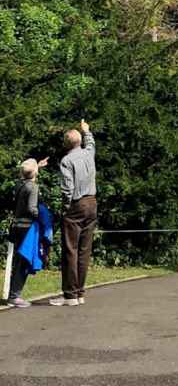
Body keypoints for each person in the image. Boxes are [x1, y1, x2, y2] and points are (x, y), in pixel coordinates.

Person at [50, 120, 96, 307]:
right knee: (84, 250)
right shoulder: (89, 153)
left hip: (77, 204)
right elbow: (91, 142)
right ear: (80, 141)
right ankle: (80, 292)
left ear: (66, 144)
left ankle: (70, 295)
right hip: (92, 202)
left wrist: (66, 207)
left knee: (71, 250)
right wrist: (86, 130)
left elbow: (67, 188)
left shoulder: (66, 161)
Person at [7, 156, 48, 308]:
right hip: (27, 229)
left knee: (18, 261)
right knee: (23, 262)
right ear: (35, 173)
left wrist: (37, 166)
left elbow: (28, 174)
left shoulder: (19, 184)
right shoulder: (33, 187)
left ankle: (13, 294)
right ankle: (15, 296)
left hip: (16, 226)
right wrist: (42, 216)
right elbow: (32, 208)